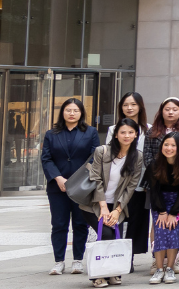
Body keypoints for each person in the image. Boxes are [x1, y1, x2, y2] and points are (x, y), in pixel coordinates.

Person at [78, 119, 143, 287]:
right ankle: (97, 275)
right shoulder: (102, 151)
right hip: (93, 204)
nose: (126, 135)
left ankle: (112, 272)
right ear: (116, 134)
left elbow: (131, 186)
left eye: (130, 132)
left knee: (115, 237)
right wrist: (104, 207)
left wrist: (117, 210)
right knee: (106, 235)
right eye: (123, 132)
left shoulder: (137, 157)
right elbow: (96, 179)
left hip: (117, 207)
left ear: (136, 134)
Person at [43, 97, 100, 276]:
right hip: (57, 187)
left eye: (75, 110)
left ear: (81, 113)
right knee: (59, 224)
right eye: (68, 110)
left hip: (81, 187)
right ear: (63, 112)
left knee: (80, 223)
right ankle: (59, 261)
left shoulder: (90, 132)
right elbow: (46, 159)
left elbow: (94, 158)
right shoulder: (51, 134)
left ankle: (77, 260)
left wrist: (75, 180)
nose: (72, 113)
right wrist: (58, 178)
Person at [105, 92, 152, 265]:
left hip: (140, 184)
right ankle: (114, 257)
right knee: (117, 220)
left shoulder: (149, 129)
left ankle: (128, 258)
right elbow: (109, 157)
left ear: (140, 106)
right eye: (125, 105)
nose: (129, 108)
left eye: (133, 104)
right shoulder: (113, 129)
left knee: (136, 221)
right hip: (117, 185)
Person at [148, 132, 179, 285]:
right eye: (166, 144)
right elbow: (154, 190)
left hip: (178, 203)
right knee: (160, 230)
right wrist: (162, 211)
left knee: (172, 230)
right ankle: (159, 269)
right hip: (159, 202)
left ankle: (170, 268)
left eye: (173, 145)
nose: (169, 148)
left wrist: (173, 213)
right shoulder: (154, 164)